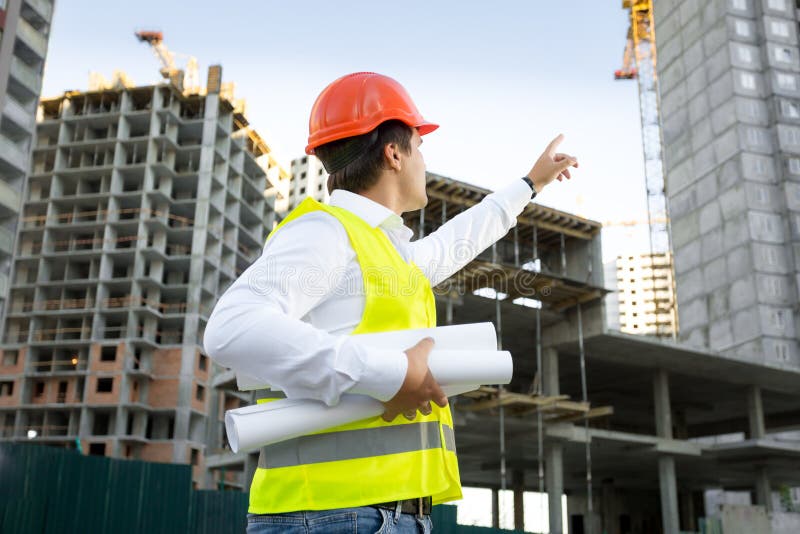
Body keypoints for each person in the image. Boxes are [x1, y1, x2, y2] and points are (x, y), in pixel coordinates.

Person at [203, 71, 578, 534]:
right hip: (332, 517)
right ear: (394, 153)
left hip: (379, 515)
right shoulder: (326, 231)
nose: (424, 162)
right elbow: (232, 326)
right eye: (420, 148)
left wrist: (530, 184)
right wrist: (389, 373)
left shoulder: (387, 253)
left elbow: (457, 241)